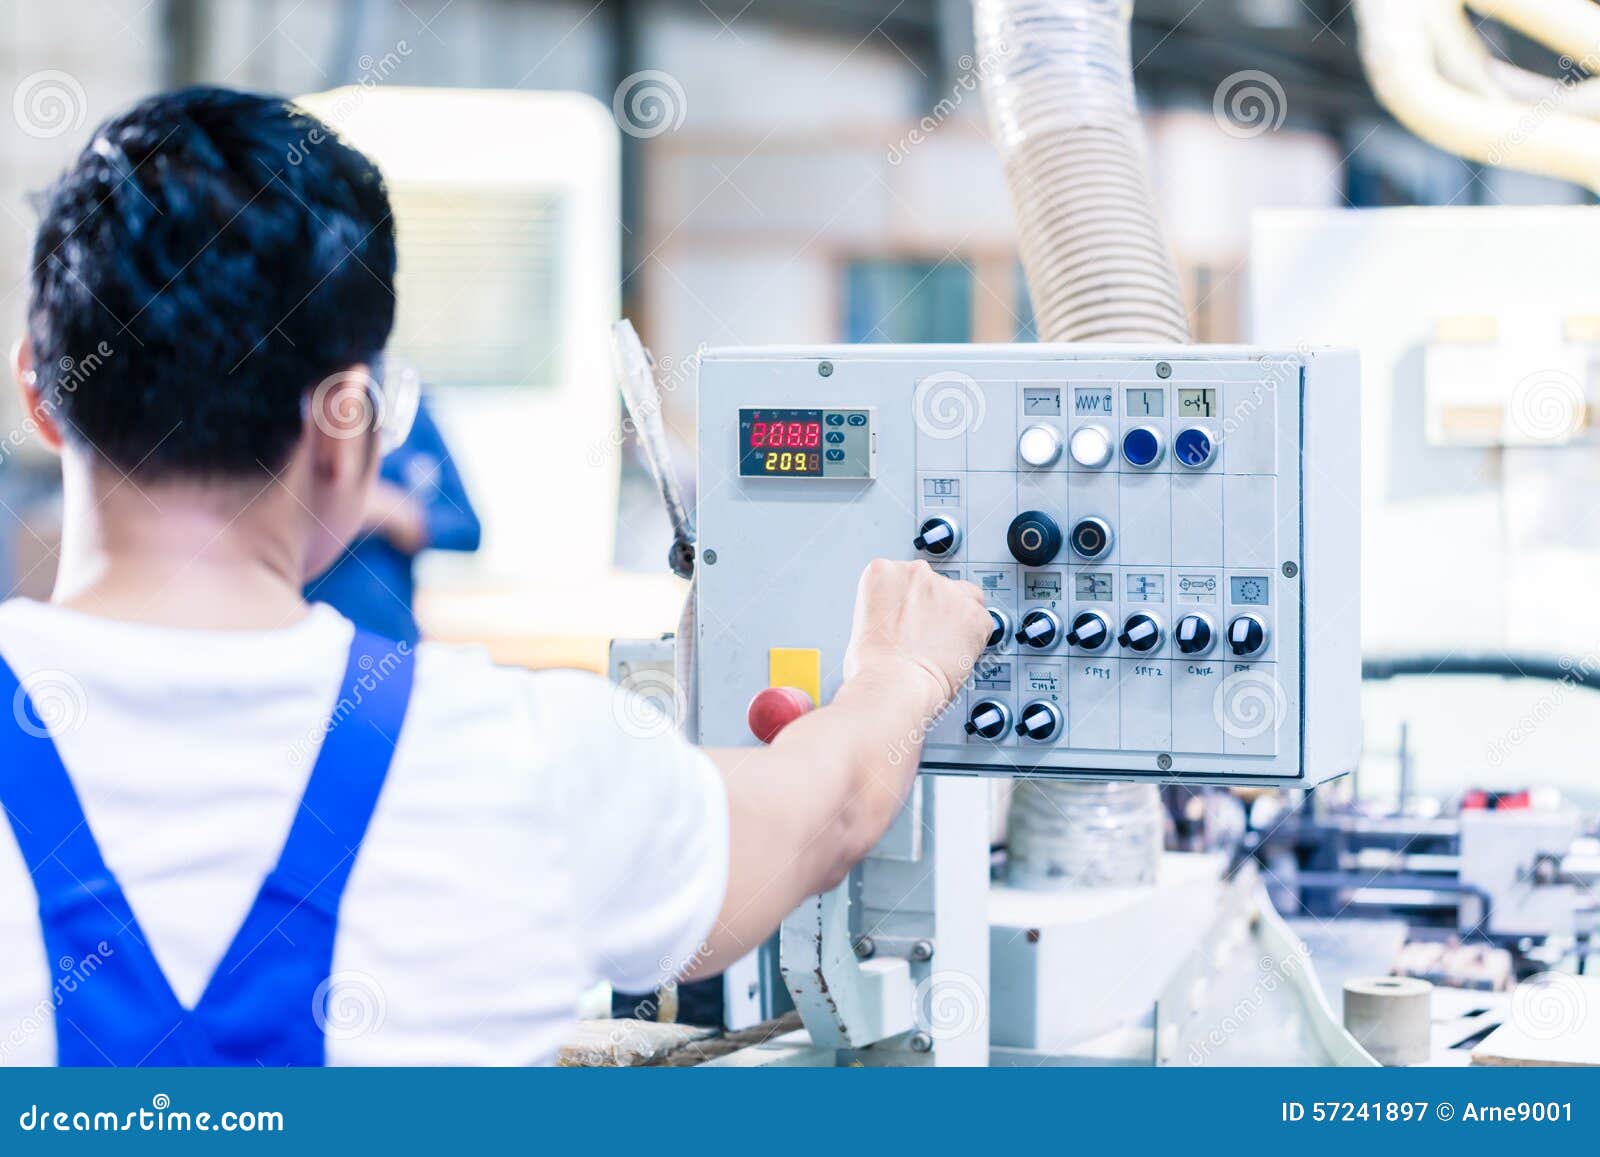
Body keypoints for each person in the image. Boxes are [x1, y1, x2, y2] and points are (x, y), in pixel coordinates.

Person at [0, 88, 990, 1066]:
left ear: (41, 393)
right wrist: (903, 673)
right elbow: (827, 808)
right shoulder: (523, 758)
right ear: (350, 427)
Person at [305, 394, 481, 645]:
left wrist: (397, 513)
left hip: (390, 641)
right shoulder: (296, 404)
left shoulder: (405, 404)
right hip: (308, 641)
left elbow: (466, 528)